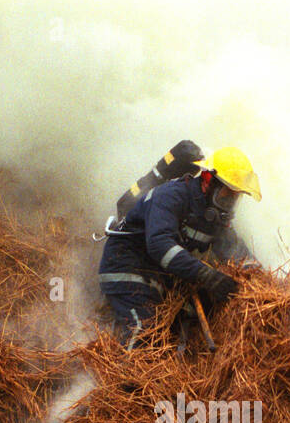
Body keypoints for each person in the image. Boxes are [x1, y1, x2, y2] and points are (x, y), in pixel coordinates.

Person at [98, 146, 261, 345]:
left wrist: (261, 282)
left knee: (177, 332)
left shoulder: (215, 217)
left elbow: (239, 255)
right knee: (144, 332)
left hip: (156, 279)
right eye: (226, 194)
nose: (229, 202)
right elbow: (160, 245)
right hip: (127, 267)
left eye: (235, 197)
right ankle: (124, 375)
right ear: (208, 181)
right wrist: (206, 275)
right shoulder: (170, 196)